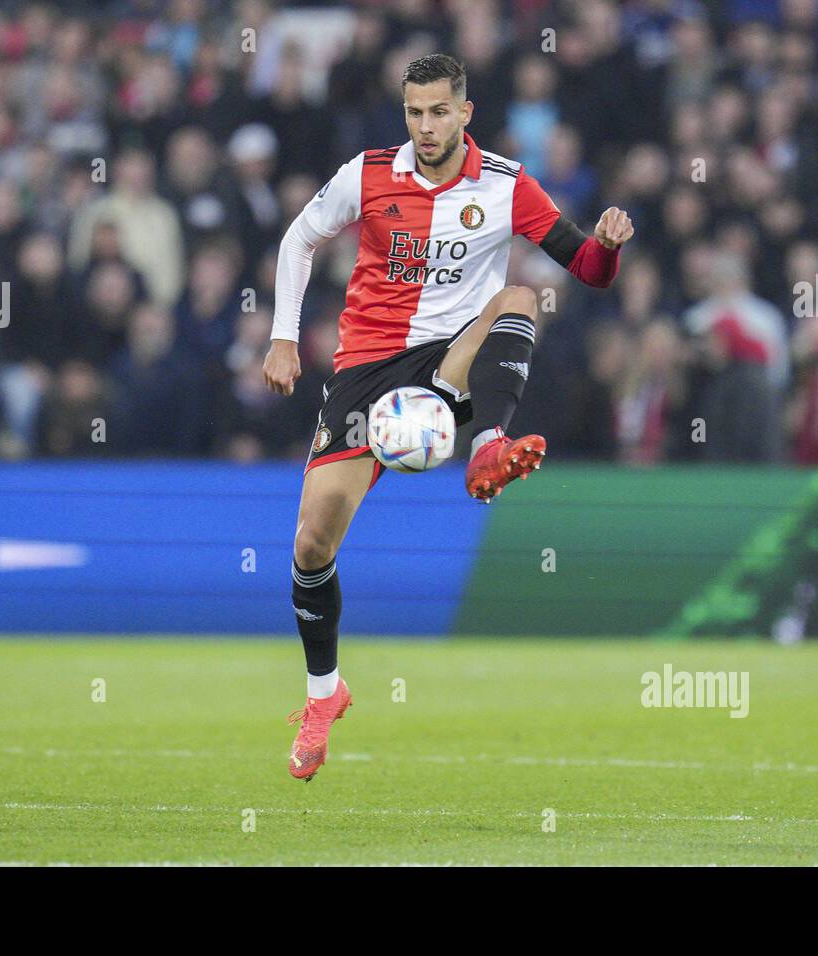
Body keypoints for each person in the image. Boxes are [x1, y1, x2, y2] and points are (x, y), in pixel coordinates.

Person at [261, 54, 634, 781]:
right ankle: (323, 693)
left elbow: (583, 267)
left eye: (439, 111)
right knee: (311, 543)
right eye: (414, 112)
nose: (425, 126)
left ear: (466, 112)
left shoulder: (505, 183)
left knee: (521, 299)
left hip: (452, 361)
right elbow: (298, 239)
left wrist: (610, 250)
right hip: (367, 372)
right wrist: (281, 335)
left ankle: (489, 441)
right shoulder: (367, 174)